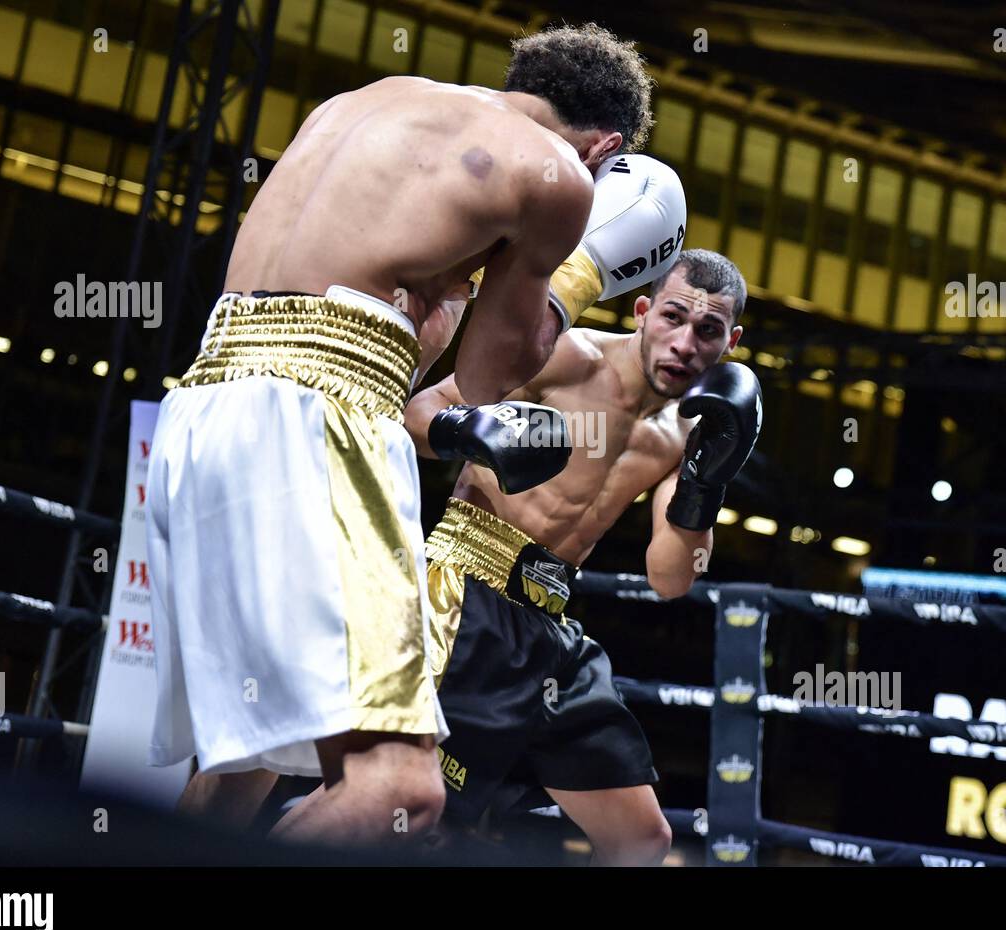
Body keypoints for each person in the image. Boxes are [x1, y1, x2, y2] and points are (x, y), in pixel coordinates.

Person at [144, 23, 656, 848]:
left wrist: (450, 294)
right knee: (401, 789)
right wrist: (579, 275)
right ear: (607, 146)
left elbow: (395, 330)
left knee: (246, 760)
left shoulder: (368, 101)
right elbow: (490, 376)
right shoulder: (560, 176)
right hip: (325, 414)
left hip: (206, 403)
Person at [408, 250, 761, 864]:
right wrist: (472, 433)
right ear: (644, 311)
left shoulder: (692, 432)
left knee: (642, 839)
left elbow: (671, 578)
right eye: (673, 318)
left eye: (706, 331)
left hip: (551, 624)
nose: (684, 343)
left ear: (730, 342)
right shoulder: (569, 356)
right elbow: (418, 411)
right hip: (465, 589)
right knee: (414, 812)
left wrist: (709, 484)